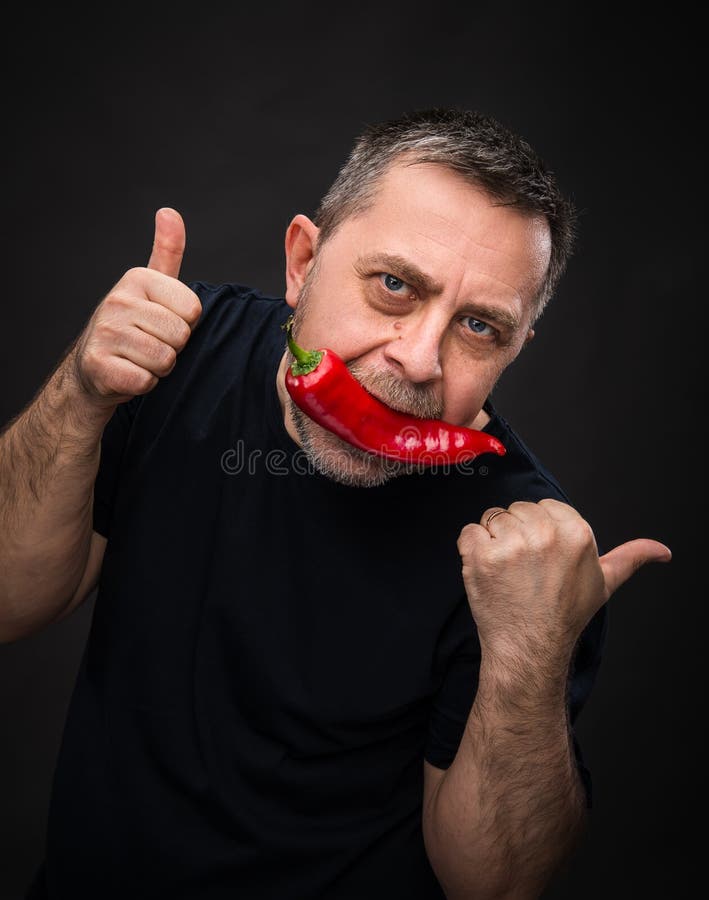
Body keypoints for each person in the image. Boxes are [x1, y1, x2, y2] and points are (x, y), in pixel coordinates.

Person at [1, 107, 670, 900]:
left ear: (516, 347)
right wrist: (80, 393)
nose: (419, 361)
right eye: (393, 286)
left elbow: (495, 887)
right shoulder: (177, 352)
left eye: (479, 326)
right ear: (302, 261)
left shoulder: (530, 553)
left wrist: (529, 651)